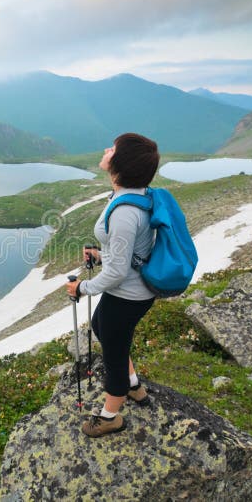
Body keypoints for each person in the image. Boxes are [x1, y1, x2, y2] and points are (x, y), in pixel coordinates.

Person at [65, 132, 159, 437]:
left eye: (113, 148)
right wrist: (102, 254)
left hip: (128, 294)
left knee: (114, 353)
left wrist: (82, 288)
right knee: (102, 327)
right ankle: (132, 386)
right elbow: (127, 253)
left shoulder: (125, 212)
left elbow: (117, 272)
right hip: (132, 289)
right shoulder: (134, 195)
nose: (107, 149)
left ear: (120, 163)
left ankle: (110, 417)